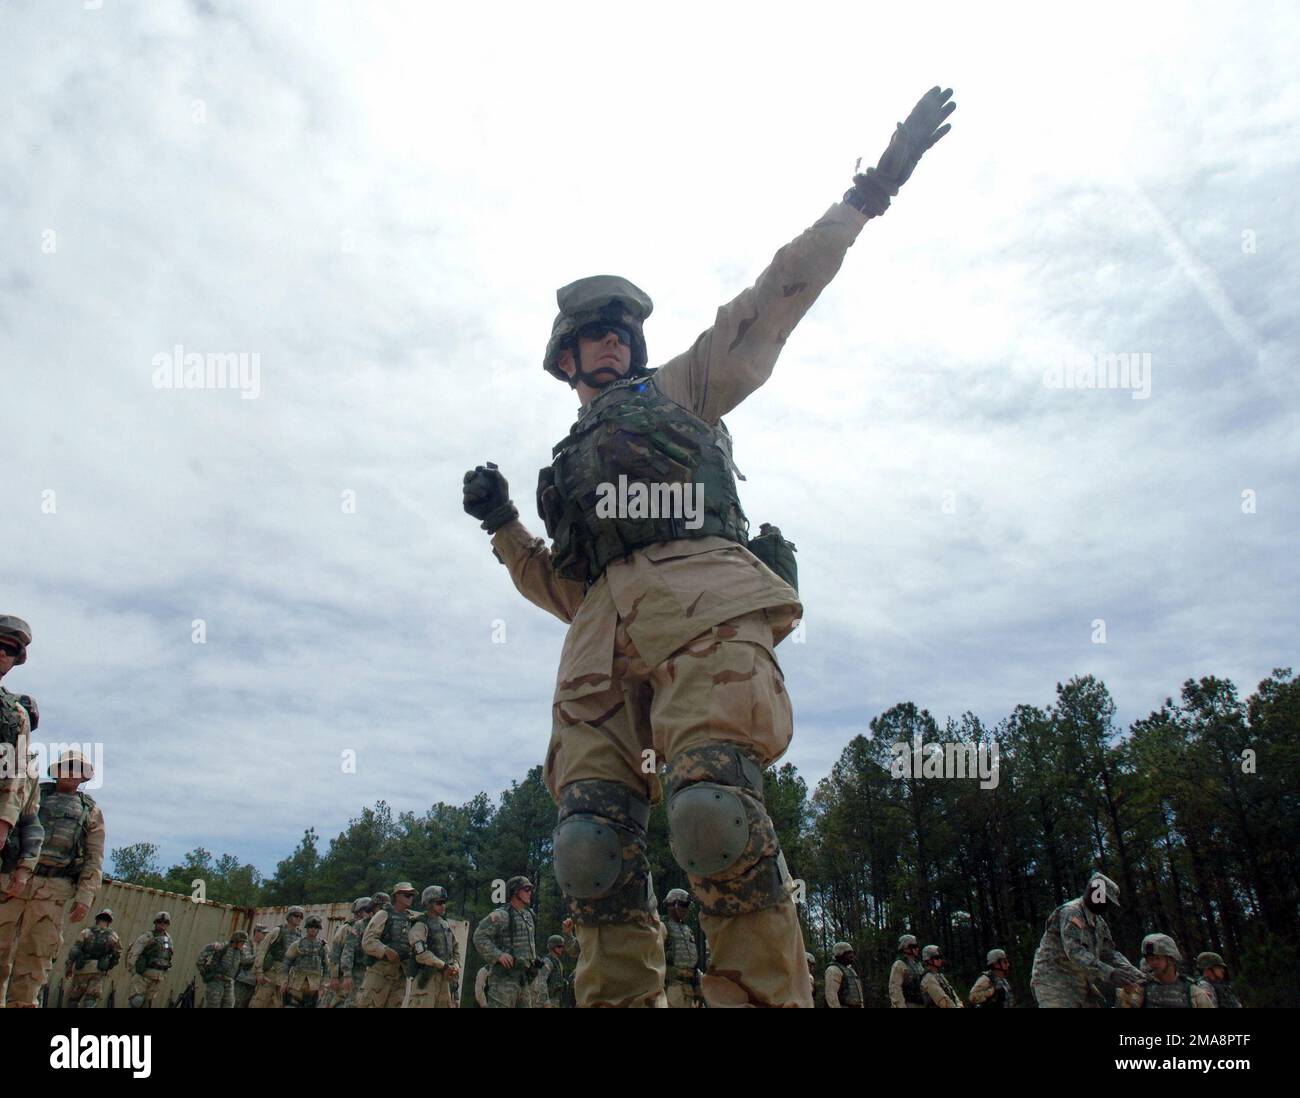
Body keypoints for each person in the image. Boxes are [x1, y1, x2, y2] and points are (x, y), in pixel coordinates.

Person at [463, 86, 957, 1007]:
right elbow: (569, 592)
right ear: (565, 359)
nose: (608, 343)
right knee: (589, 855)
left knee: (711, 819)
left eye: (618, 332)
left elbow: (777, 294)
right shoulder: (563, 467)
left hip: (703, 608)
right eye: (588, 336)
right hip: (596, 653)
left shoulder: (684, 388)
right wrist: (503, 531)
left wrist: (868, 193)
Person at [0, 749, 106, 1007]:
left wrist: (85, 896)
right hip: (13, 880)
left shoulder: (90, 811)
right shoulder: (33, 793)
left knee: (35, 958)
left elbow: (94, 857)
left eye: (77, 769)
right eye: (67, 766)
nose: (71, 773)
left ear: (84, 777)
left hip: (54, 890)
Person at [1030, 871, 1141, 1007]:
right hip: (1055, 983)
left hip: (1079, 983)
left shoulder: (1099, 923)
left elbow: (1109, 954)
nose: (1106, 904)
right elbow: (1074, 952)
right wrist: (1109, 972)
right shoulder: (1071, 912)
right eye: (1105, 898)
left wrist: (1134, 973)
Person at [473, 875, 540, 1008]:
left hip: (524, 979)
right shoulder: (502, 915)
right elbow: (479, 936)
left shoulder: (528, 916)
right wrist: (498, 955)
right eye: (526, 889)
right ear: (515, 891)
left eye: (531, 889)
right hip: (503, 981)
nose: (530, 892)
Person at [1117, 934, 1214, 1009]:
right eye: (1149, 959)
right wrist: (1127, 994)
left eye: (1157, 958)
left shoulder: (1194, 992)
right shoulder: (1140, 990)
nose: (1153, 963)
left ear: (1171, 959)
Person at [358, 883, 415, 1008]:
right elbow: (368, 941)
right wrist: (385, 950)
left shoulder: (410, 918)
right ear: (397, 896)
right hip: (379, 973)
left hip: (399, 975)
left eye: (412, 895)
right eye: (407, 895)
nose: (411, 897)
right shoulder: (384, 914)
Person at [407, 885, 461, 1009]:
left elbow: (455, 949)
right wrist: (443, 965)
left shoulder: (445, 924)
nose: (443, 905)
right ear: (429, 903)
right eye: (439, 902)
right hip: (427, 980)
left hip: (446, 981)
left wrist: (456, 966)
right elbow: (420, 954)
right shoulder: (420, 924)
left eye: (444, 902)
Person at [64, 908, 121, 1008]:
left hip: (82, 968)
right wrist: (108, 966)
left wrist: (69, 967)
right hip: (98, 971)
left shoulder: (86, 932)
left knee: (74, 999)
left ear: (97, 919)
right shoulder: (113, 936)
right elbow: (117, 955)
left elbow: (74, 951)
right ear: (109, 922)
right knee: (91, 999)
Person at [251, 905, 304, 1008]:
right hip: (269, 975)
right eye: (296, 915)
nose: (299, 918)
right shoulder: (277, 931)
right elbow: (262, 950)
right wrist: (259, 972)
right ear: (289, 916)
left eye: (301, 917)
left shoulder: (299, 936)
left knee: (277, 1005)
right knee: (259, 1003)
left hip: (284, 979)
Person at [660, 888, 700, 1008]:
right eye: (685, 905)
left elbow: (694, 962)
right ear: (675, 904)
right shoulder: (662, 927)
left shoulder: (688, 931)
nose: (686, 909)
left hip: (689, 988)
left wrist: (698, 989)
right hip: (672, 989)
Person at [126, 911, 173, 1008]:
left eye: (165, 922)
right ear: (155, 923)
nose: (162, 924)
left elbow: (168, 956)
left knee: (147, 1003)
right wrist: (134, 971)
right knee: (137, 1001)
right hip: (143, 974)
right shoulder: (147, 936)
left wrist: (165, 972)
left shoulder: (168, 939)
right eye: (160, 922)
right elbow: (133, 953)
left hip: (157, 976)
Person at [283, 916, 327, 1007]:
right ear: (307, 928)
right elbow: (286, 963)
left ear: (318, 929)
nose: (313, 929)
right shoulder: (297, 944)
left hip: (314, 988)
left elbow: (327, 967)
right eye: (311, 927)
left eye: (315, 927)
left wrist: (323, 985)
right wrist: (284, 981)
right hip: (296, 985)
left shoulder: (323, 947)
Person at [196, 931, 248, 1009]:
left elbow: (246, 961)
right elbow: (203, 956)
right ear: (236, 941)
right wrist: (203, 970)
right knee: (213, 1005)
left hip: (229, 982)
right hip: (217, 981)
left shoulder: (240, 953)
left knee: (229, 1004)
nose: (243, 945)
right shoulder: (223, 947)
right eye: (242, 942)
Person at [888, 933, 925, 1008]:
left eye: (917, 946)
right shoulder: (899, 965)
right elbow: (895, 989)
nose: (917, 949)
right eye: (914, 947)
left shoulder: (918, 965)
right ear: (905, 948)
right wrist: (901, 1006)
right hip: (908, 1004)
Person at [233, 925, 266, 1008]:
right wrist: (259, 955)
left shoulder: (262, 946)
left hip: (252, 983)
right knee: (235, 1003)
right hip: (243, 981)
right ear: (257, 933)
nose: (265, 936)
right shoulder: (247, 944)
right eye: (263, 933)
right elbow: (244, 960)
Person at [825, 941, 864, 1008]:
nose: (852, 956)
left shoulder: (851, 970)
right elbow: (831, 996)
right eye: (848, 953)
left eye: (852, 953)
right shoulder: (833, 970)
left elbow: (858, 994)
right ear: (840, 954)